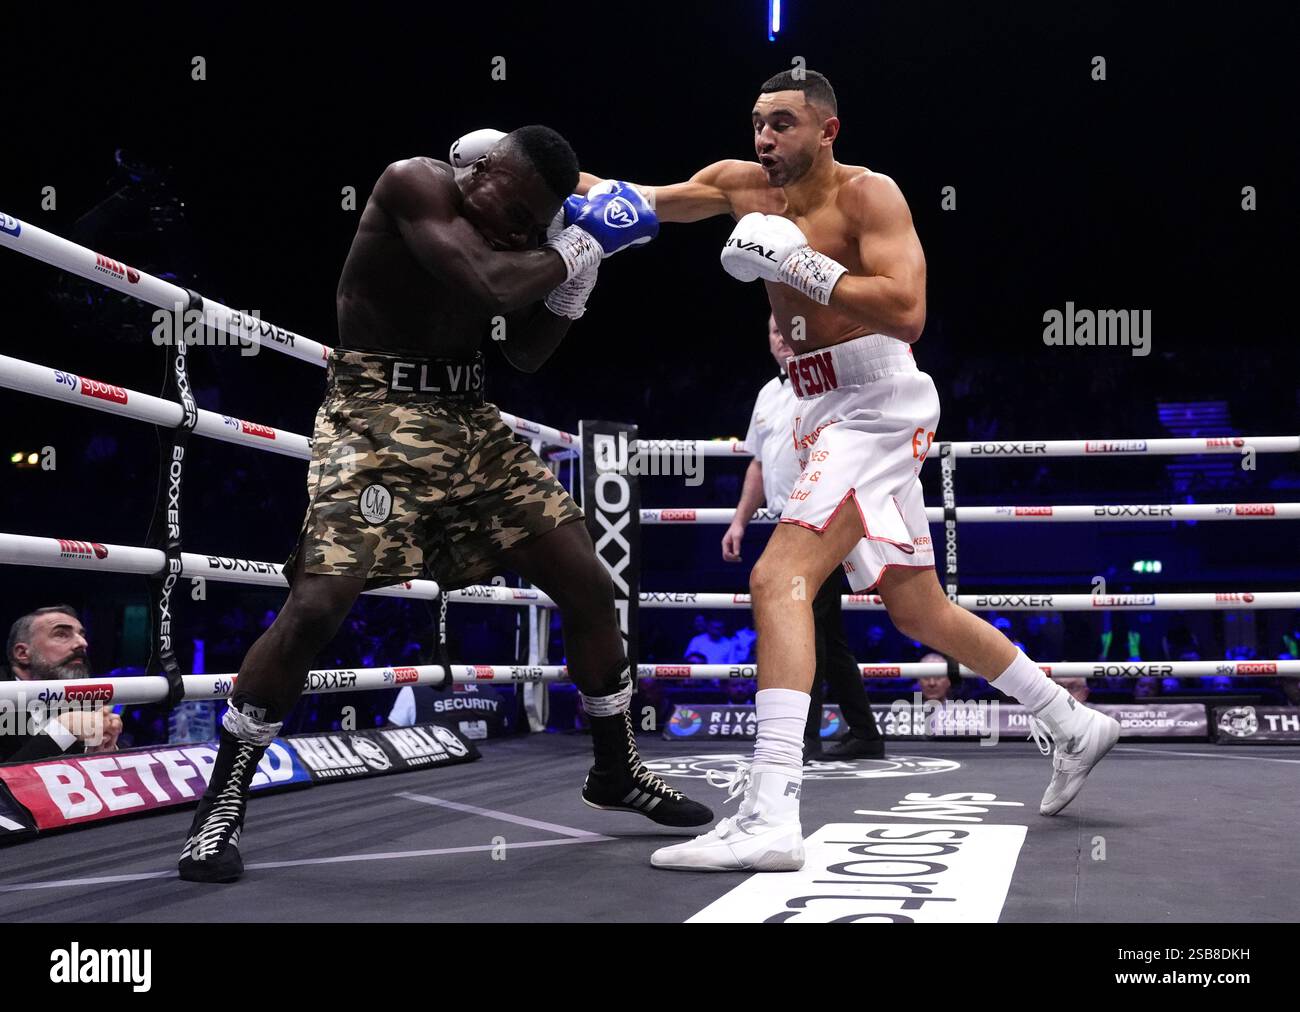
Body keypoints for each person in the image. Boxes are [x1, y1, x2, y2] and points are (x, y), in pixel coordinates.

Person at [583, 69, 1120, 871]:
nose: (764, 139)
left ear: (827, 131)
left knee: (778, 579)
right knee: (918, 609)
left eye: (782, 124)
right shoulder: (738, 186)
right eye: (757, 124)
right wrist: (531, 172)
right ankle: (1072, 722)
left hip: (876, 400)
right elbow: (645, 199)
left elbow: (908, 312)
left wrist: (803, 267)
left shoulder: (873, 197)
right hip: (814, 409)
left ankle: (769, 815)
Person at [178, 126, 711, 884]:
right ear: (483, 169)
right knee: (319, 604)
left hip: (468, 416)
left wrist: (576, 276)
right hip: (373, 413)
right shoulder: (413, 183)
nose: (517, 228)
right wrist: (581, 244)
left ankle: (615, 770)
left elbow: (524, 350)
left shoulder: (526, 230)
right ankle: (219, 809)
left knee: (590, 585)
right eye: (514, 209)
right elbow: (491, 286)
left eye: (534, 223)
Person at [725, 314, 883, 760]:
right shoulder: (767, 394)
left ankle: (805, 735)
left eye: (788, 331)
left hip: (821, 520)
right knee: (824, 629)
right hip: (784, 524)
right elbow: (758, 463)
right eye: (774, 332)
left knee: (804, 623)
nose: (781, 339)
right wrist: (739, 521)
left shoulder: (826, 386)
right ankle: (865, 734)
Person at [1, 606, 122, 762]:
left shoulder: (83, 697)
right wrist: (63, 729)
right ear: (23, 653)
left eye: (81, 635)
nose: (82, 643)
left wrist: (102, 752)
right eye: (61, 634)